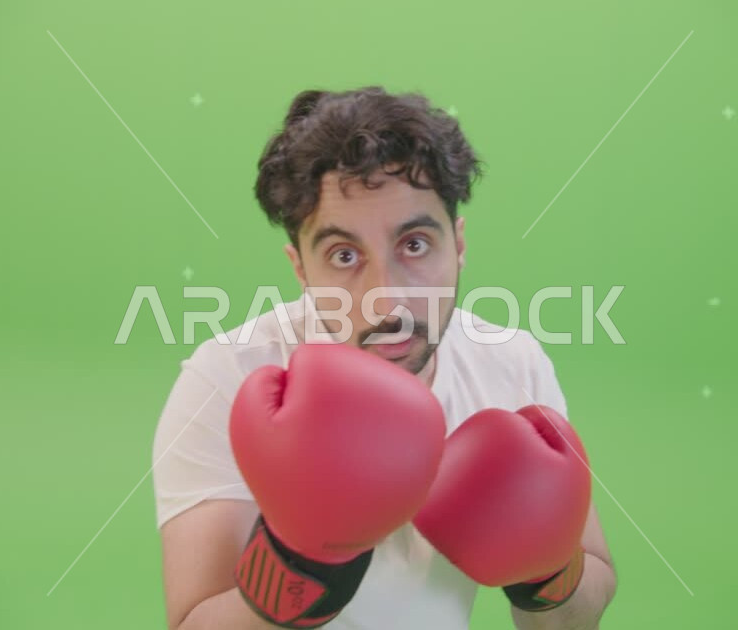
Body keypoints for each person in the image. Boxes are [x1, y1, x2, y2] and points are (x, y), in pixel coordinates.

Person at [152, 86, 617, 629]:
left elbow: (574, 618)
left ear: (458, 243)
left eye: (414, 245)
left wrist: (546, 575)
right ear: (300, 268)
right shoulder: (229, 375)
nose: (387, 297)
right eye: (344, 255)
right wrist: (298, 567)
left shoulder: (512, 363)